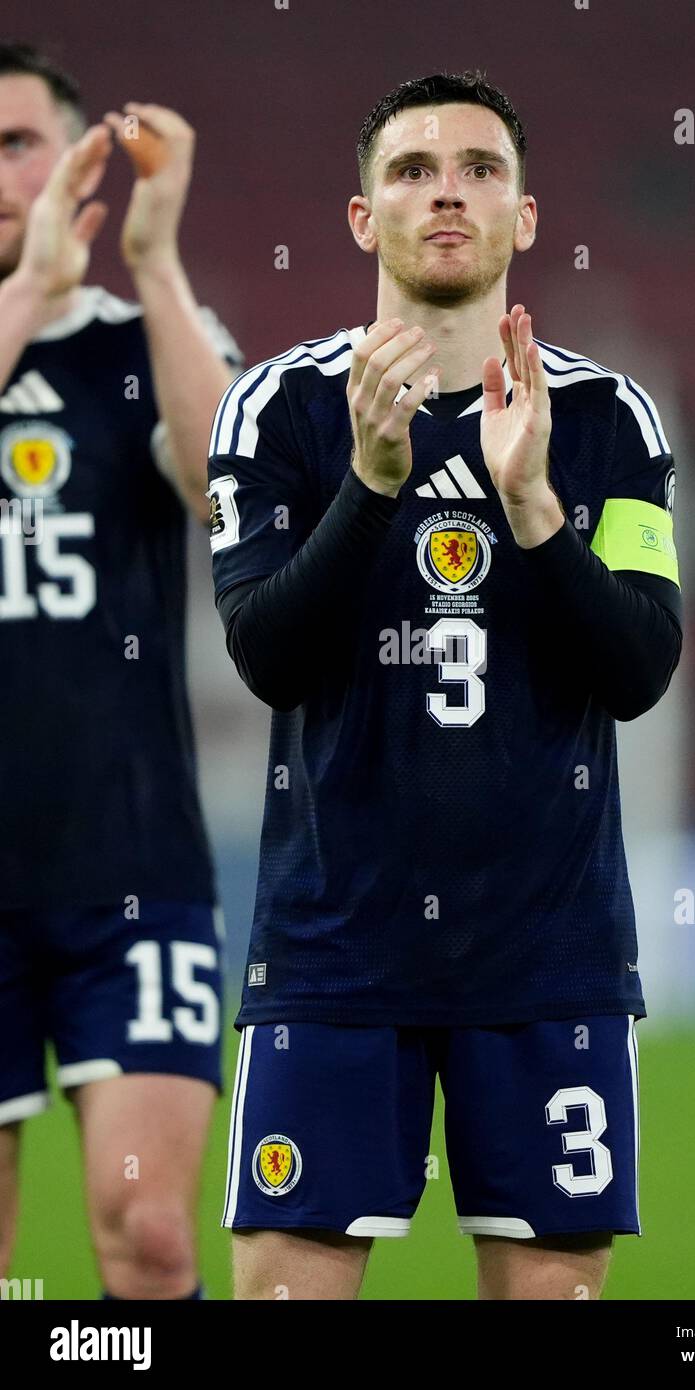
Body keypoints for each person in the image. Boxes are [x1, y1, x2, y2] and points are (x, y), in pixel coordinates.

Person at [208, 69, 682, 1301]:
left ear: (524, 216)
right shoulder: (277, 409)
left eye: (479, 170)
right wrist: (370, 483)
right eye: (412, 172)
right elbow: (265, 657)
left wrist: (533, 509)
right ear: (362, 218)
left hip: (548, 960)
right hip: (332, 955)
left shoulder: (605, 419)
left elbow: (640, 669)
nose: (447, 194)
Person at [0, 43, 242, 1299]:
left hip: (131, 871)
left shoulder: (141, 340)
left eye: (18, 144)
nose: (0, 174)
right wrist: (24, 296)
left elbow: (222, 492)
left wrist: (151, 263)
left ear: (80, 162)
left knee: (148, 1238)